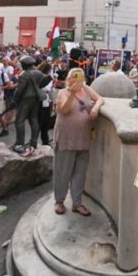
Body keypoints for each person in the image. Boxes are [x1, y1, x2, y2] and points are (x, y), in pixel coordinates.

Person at [52, 67, 104, 216]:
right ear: (68, 79)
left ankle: (77, 203)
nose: (75, 79)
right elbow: (64, 110)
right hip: (66, 139)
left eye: (78, 76)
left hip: (83, 138)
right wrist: (72, 93)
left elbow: (100, 98)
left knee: (80, 173)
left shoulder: (86, 89)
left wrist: (96, 108)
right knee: (63, 172)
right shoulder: (62, 93)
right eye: (73, 76)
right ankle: (59, 201)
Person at [14, 56, 46, 153]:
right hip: (36, 99)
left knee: (19, 121)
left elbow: (19, 90)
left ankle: (20, 143)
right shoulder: (40, 73)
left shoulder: (24, 75)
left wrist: (15, 100)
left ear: (24, 65)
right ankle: (34, 142)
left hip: (25, 100)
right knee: (34, 119)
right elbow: (41, 85)